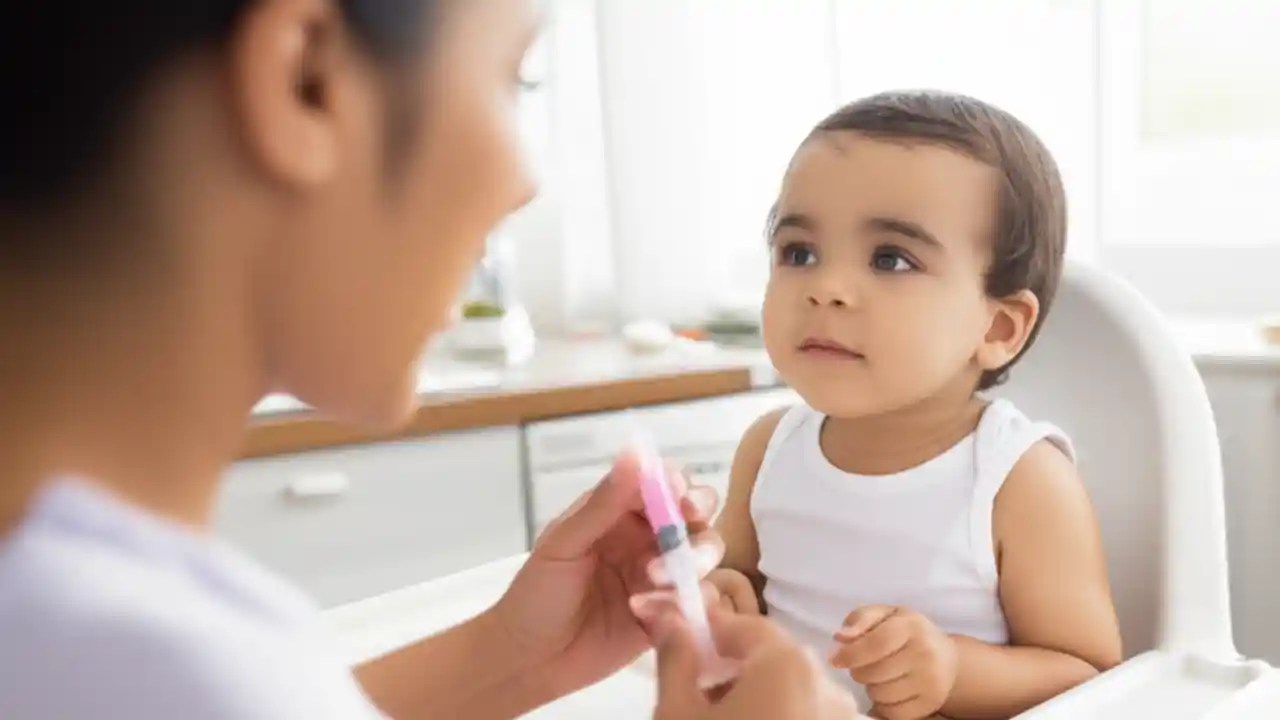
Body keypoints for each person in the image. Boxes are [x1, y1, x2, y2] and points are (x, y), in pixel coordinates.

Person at [0, 1, 858, 718]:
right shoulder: (158, 665)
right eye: (512, 80)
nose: (524, 184)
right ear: (309, 80)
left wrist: (506, 659)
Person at [703, 91, 1125, 719]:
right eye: (799, 252)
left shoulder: (1019, 480)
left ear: (999, 329)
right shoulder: (768, 449)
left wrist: (955, 669)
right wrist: (718, 597)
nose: (827, 289)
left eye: (891, 259)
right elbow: (740, 586)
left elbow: (1090, 675)